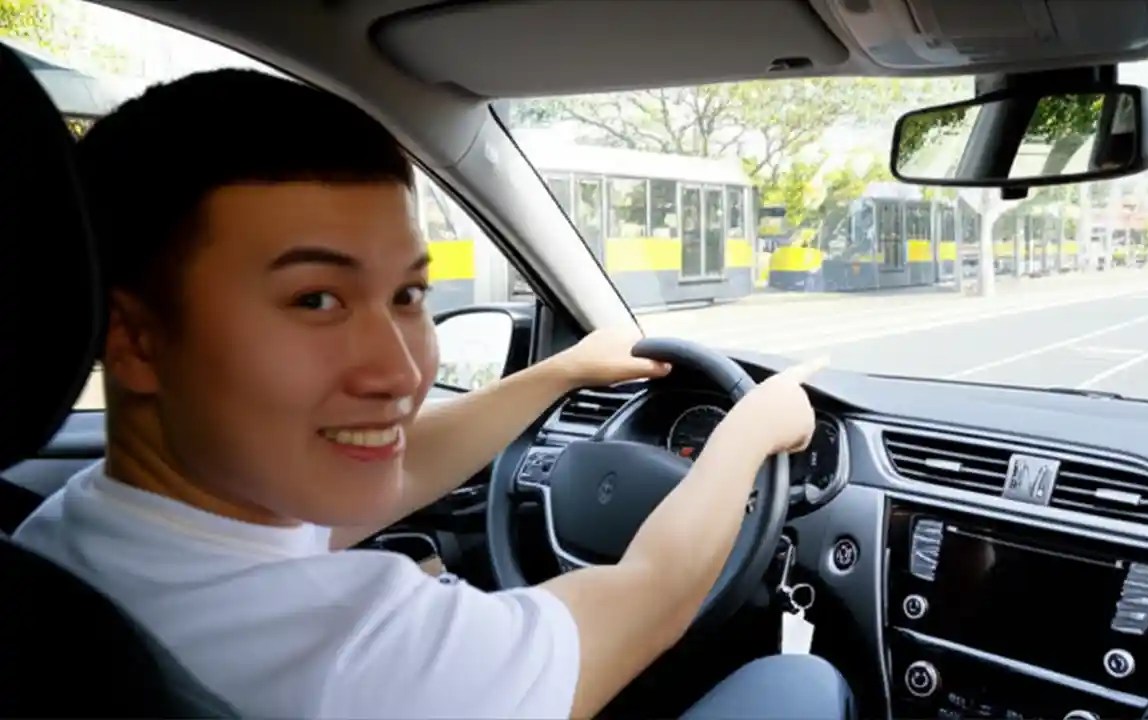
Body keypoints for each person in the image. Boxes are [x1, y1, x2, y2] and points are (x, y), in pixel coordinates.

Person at [14, 68, 844, 719]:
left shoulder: (66, 536)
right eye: (316, 300)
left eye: (409, 295)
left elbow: (400, 471)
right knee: (802, 684)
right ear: (134, 341)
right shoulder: (361, 655)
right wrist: (750, 433)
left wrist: (559, 372)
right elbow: (654, 595)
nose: (404, 371)